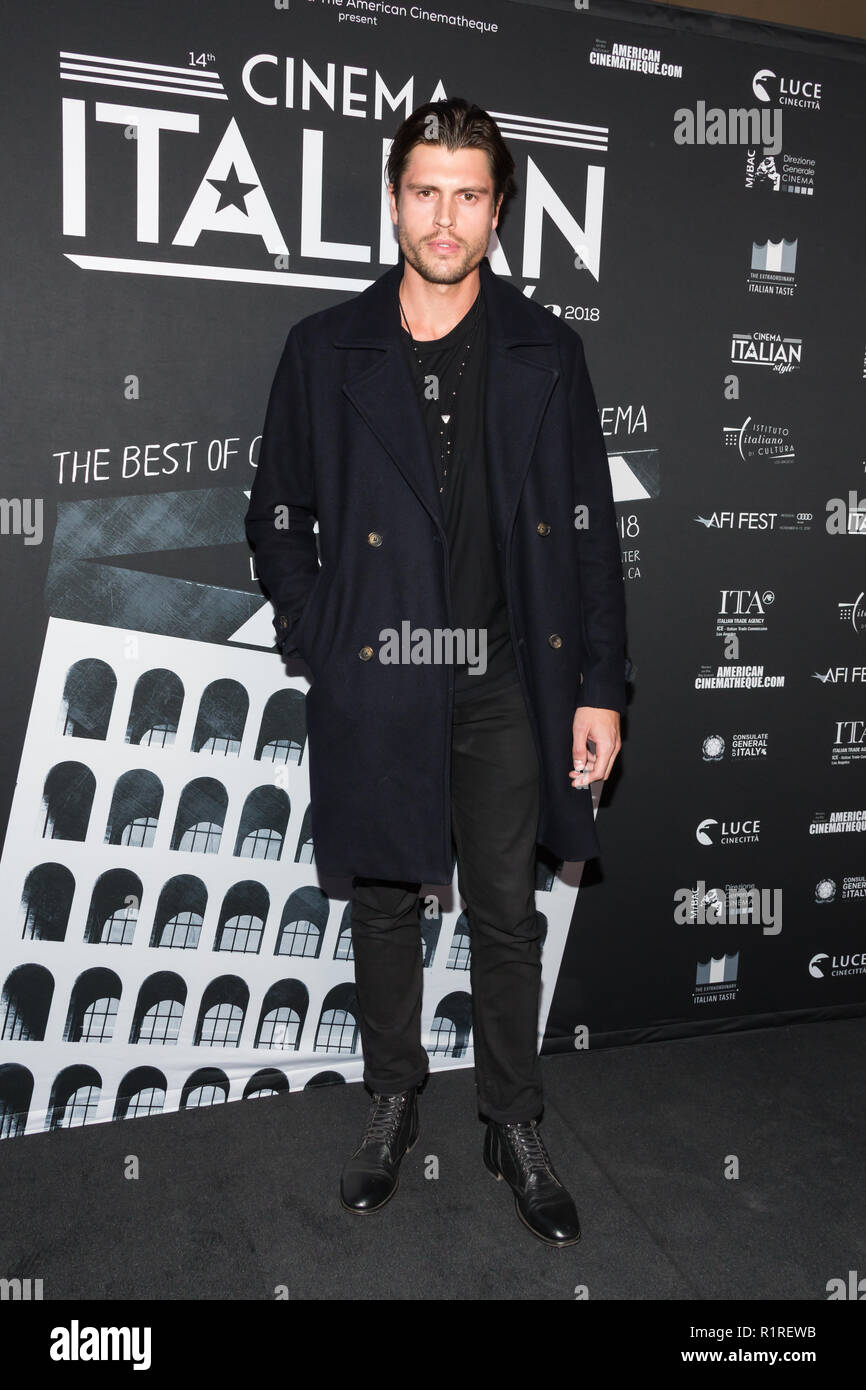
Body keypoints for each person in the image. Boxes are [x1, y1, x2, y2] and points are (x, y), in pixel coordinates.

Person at [245, 98, 626, 1247]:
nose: (443, 216)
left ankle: (508, 1120)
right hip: (383, 674)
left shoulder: (544, 350)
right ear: (393, 199)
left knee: (506, 917)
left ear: (496, 210)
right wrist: (320, 635)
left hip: (507, 679)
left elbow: (591, 532)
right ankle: (391, 1097)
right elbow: (274, 518)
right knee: (381, 904)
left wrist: (600, 684)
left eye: (467, 194)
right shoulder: (326, 348)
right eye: (424, 190)